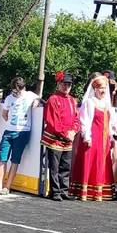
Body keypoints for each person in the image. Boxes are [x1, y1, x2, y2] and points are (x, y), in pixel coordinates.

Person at [69, 74, 117, 201]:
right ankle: (86, 190)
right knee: (90, 162)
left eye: (104, 87)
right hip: (93, 138)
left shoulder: (107, 104)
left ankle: (99, 190)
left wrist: (112, 137)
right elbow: (85, 121)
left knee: (102, 163)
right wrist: (87, 136)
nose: (102, 90)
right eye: (100, 88)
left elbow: (110, 123)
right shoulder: (90, 102)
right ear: (95, 89)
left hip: (104, 139)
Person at [0, 77, 40, 195]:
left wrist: (36, 101)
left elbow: (39, 99)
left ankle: (8, 186)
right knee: (2, 158)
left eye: (19, 91)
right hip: (8, 131)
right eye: (14, 91)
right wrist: (10, 122)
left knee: (15, 160)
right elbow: (4, 113)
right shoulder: (9, 98)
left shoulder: (29, 95)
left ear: (24, 88)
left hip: (22, 132)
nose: (16, 93)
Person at [42, 71, 79, 201]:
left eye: (69, 84)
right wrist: (65, 134)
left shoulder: (72, 100)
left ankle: (64, 190)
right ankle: (55, 191)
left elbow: (76, 119)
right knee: (54, 167)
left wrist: (74, 131)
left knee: (65, 167)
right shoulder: (53, 99)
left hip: (68, 139)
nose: (66, 87)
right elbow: (53, 122)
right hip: (55, 139)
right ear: (58, 84)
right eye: (64, 84)